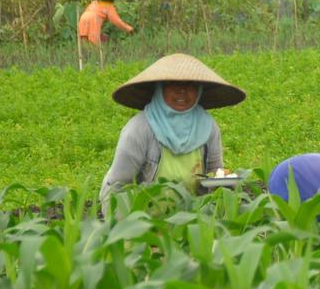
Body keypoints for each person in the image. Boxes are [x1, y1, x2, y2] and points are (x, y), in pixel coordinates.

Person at [99, 53, 245, 201]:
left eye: (190, 85)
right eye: (172, 84)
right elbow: (115, 186)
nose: (182, 91)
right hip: (146, 220)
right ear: (159, 89)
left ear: (199, 90)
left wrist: (224, 185)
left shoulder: (208, 127)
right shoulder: (139, 129)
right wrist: (120, 222)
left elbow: (215, 173)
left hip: (196, 220)